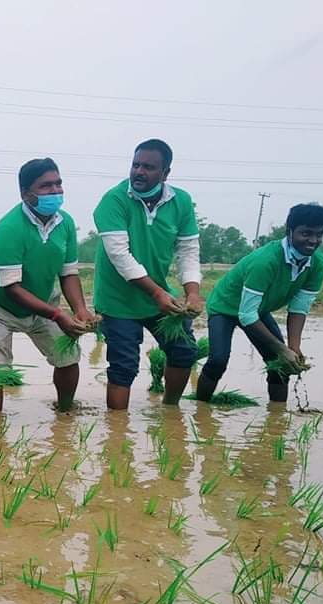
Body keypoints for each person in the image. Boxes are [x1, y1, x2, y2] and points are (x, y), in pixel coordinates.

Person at [93, 139, 202, 410]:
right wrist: (156, 293)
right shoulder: (114, 200)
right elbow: (120, 255)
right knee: (123, 367)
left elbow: (188, 250)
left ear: (165, 173)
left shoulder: (181, 201)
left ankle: (170, 411)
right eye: (135, 164)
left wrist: (192, 293)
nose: (139, 172)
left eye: (149, 167)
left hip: (161, 296)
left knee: (184, 351)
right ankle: (117, 434)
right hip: (119, 300)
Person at [0, 158, 95, 412]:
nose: (55, 191)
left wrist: (80, 309)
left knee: (67, 357)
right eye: (45, 186)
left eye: (58, 183)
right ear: (26, 193)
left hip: (42, 303)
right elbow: (12, 288)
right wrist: (57, 315)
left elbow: (68, 274)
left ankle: (65, 412)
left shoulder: (64, 223)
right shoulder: (10, 227)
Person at [198, 203, 323, 403]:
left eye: (318, 234)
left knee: (281, 364)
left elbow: (298, 309)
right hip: (225, 307)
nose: (313, 240)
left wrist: (293, 349)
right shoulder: (265, 261)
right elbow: (246, 315)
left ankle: (277, 419)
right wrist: (281, 348)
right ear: (290, 231)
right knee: (218, 360)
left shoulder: (317, 263)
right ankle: (201, 410)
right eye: (306, 233)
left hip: (257, 310)